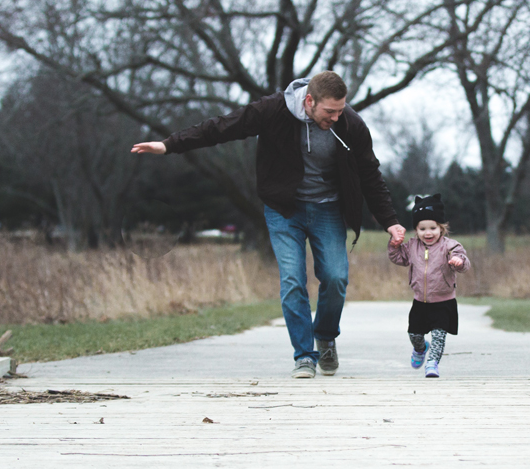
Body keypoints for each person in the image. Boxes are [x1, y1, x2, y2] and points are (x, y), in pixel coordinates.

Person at [131, 71, 406, 378]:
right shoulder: (272, 110)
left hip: (327, 208)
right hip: (283, 209)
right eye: (330, 111)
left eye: (341, 110)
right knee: (292, 280)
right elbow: (222, 127)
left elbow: (370, 174)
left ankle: (326, 336)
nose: (336, 117)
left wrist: (390, 222)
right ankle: (304, 355)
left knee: (336, 277)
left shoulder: (350, 124)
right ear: (309, 100)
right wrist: (169, 145)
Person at [388, 194, 470, 378]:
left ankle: (432, 364)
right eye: (422, 228)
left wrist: (459, 261)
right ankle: (420, 348)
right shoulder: (411, 246)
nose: (428, 233)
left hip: (444, 302)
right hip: (420, 302)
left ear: (441, 228)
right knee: (415, 335)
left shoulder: (450, 246)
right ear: (416, 230)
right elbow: (398, 258)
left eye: (433, 228)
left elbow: (465, 262)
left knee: (439, 337)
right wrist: (394, 246)